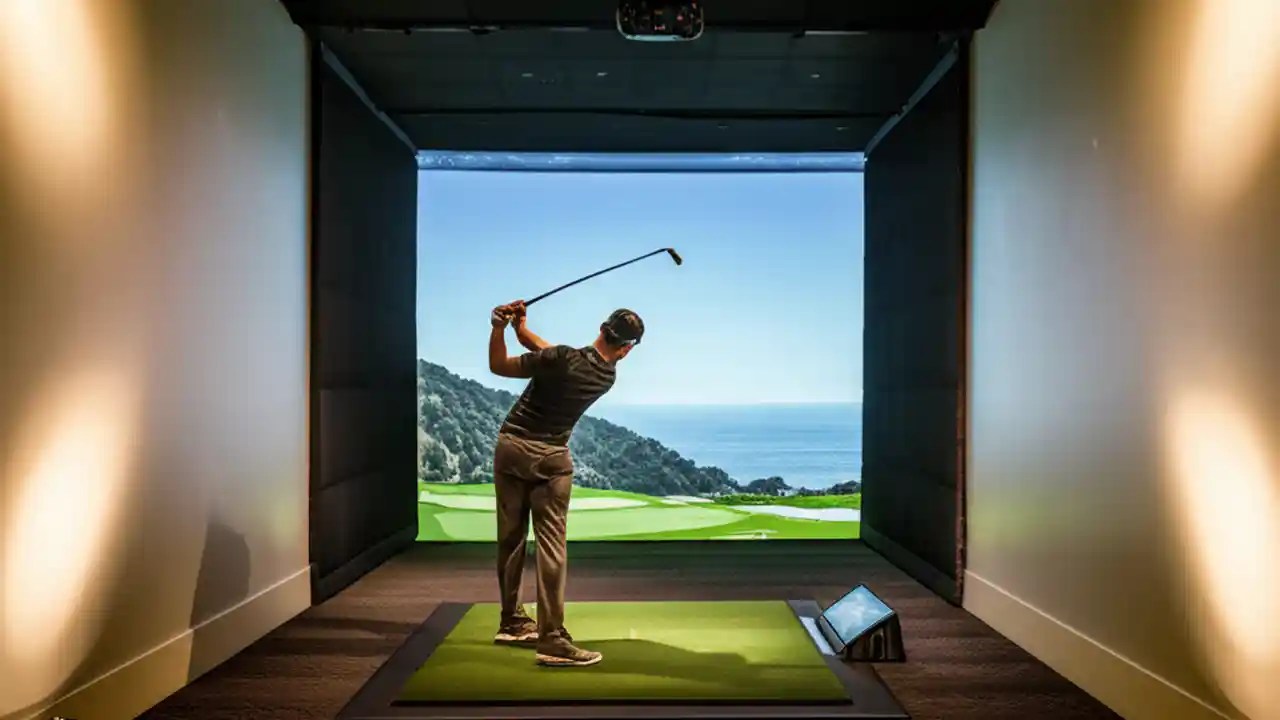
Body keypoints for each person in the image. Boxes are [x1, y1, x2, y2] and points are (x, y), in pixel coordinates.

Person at [487, 300, 645, 667]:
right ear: (626, 349)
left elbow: (500, 365)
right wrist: (521, 329)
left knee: (510, 539)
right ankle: (551, 639)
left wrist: (498, 328)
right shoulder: (605, 376)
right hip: (551, 461)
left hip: (510, 448)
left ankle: (511, 621)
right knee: (551, 547)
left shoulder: (561, 358)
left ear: (601, 328)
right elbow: (552, 353)